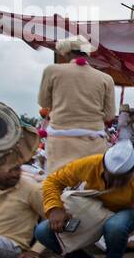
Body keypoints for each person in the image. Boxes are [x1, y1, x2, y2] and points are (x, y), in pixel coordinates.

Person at [38, 35, 117, 173]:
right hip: (93, 142)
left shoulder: (52, 71)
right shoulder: (106, 78)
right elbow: (109, 115)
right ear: (87, 53)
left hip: (60, 142)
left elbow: (43, 102)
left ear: (67, 53)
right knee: (90, 186)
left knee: (56, 185)